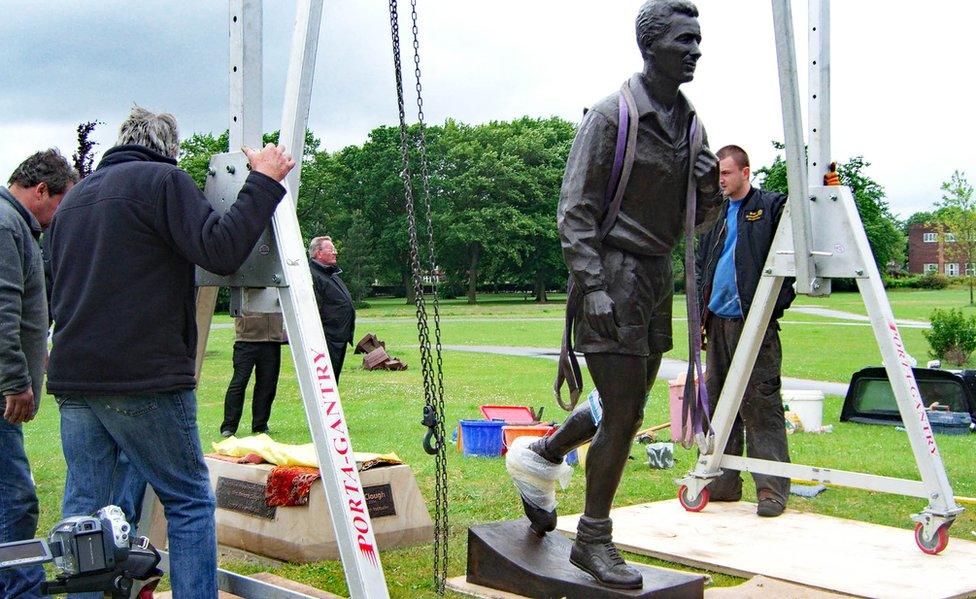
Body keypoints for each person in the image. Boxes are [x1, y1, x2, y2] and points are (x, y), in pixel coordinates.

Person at [507, 0, 721, 589]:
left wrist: (708, 187)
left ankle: (545, 454)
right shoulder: (611, 118)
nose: (695, 51)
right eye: (684, 40)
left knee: (623, 406)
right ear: (651, 47)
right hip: (613, 273)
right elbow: (573, 211)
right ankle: (592, 539)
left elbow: (694, 221)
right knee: (623, 409)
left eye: (698, 40)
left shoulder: (691, 123)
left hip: (655, 278)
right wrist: (593, 285)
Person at [46, 105, 294, 598]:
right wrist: (263, 181)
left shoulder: (73, 203)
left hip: (75, 377)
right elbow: (220, 250)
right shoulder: (164, 182)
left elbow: (55, 288)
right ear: (170, 148)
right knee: (188, 501)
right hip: (142, 375)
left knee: (84, 512)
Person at [695, 144, 795, 517]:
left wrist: (773, 306)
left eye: (725, 173)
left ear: (745, 172)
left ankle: (771, 490)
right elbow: (702, 266)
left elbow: (793, 255)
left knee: (761, 405)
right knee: (718, 404)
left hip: (754, 325)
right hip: (717, 323)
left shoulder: (769, 207)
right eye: (717, 174)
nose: (719, 180)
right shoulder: (714, 216)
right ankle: (722, 482)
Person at [0, 149, 77, 599]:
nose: (56, 218)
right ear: (41, 189)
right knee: (15, 498)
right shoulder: (7, 225)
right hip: (1, 389)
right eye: (58, 205)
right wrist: (14, 380)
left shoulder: (16, 226)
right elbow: (3, 308)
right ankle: (20, 592)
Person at [220, 307, 287, 437]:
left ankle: (260, 425)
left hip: (271, 340)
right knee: (239, 383)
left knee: (267, 385)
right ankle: (228, 426)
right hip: (246, 338)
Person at [309, 236, 355, 383]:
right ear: (318, 253)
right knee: (326, 382)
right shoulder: (313, 275)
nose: (335, 253)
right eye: (331, 250)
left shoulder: (330, 273)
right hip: (328, 339)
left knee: (333, 380)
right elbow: (314, 308)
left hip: (339, 337)